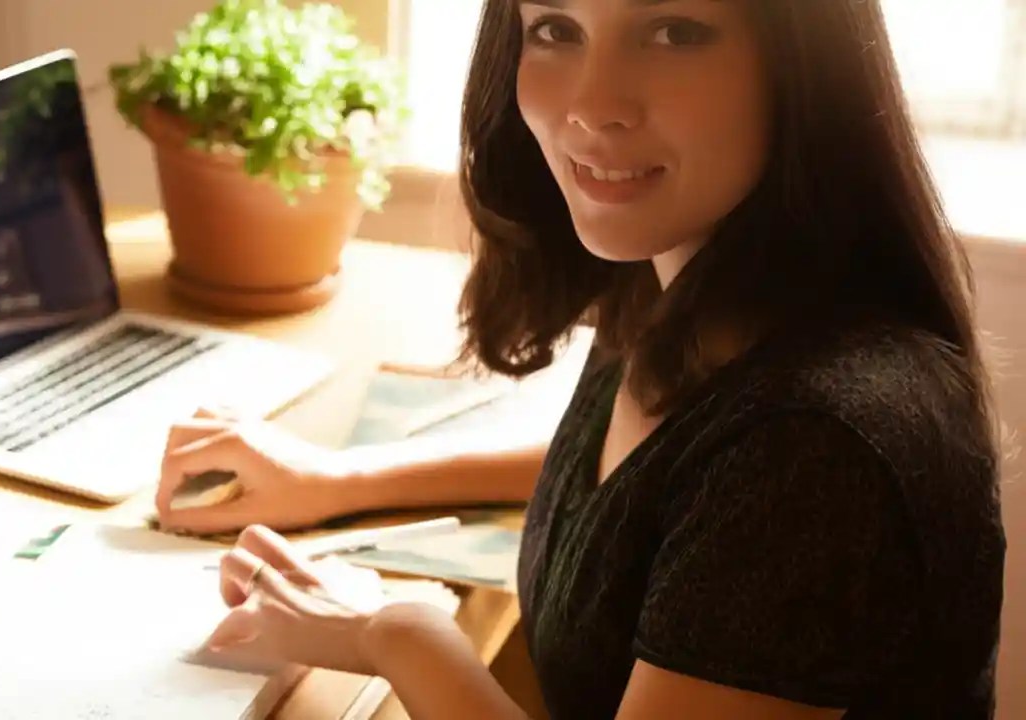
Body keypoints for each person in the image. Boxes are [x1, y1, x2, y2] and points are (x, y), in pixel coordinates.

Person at [154, 0, 1008, 717]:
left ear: (801, 65)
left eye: (674, 31)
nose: (591, 106)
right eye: (557, 27)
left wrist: (396, 632)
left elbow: (736, 493)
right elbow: (644, 490)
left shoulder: (818, 452)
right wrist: (341, 479)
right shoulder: (678, 281)